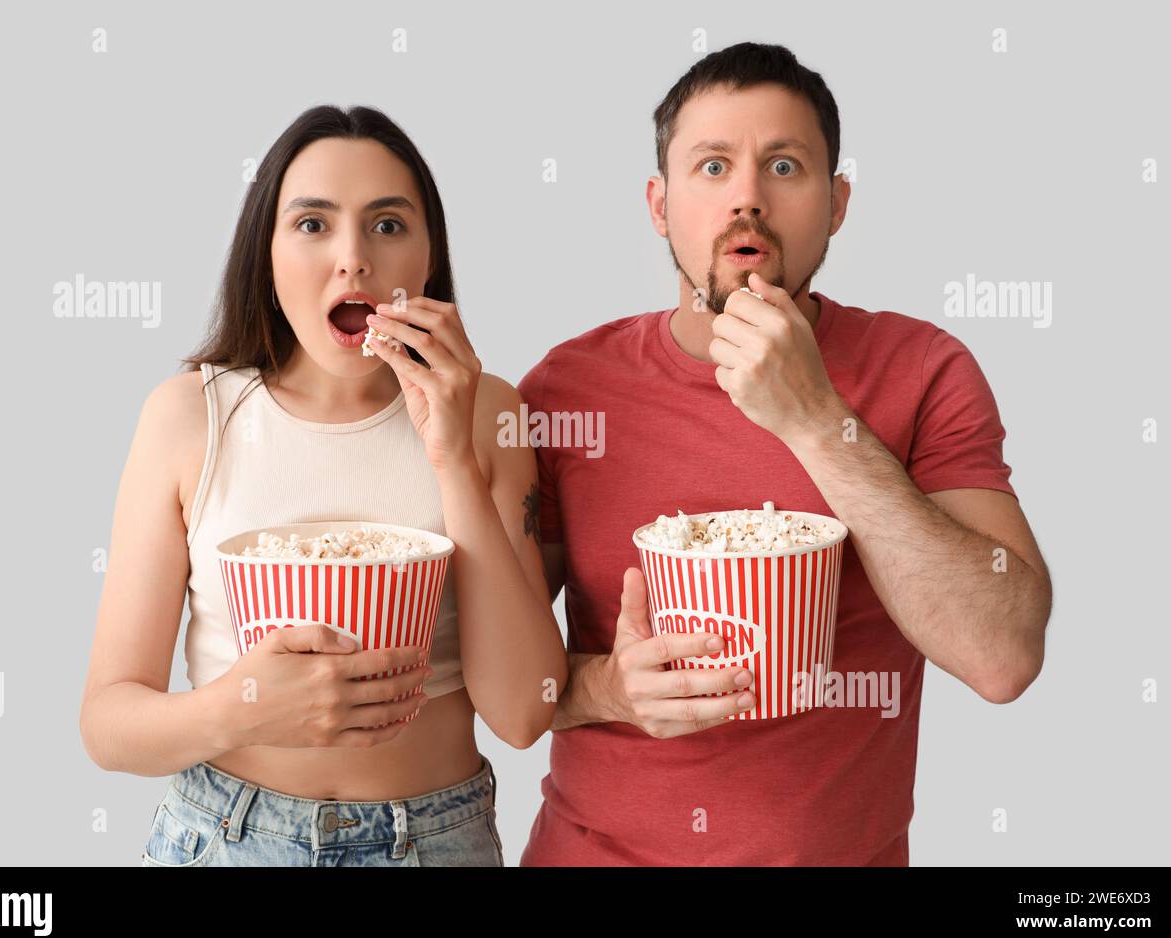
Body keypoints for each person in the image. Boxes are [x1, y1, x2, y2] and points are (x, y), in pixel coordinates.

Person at [518, 42, 1053, 866]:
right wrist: (606, 689)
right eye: (712, 166)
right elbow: (493, 684)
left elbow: (1003, 656)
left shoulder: (921, 370)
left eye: (785, 166)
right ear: (658, 205)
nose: (747, 197)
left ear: (837, 203)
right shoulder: (566, 390)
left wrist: (813, 420)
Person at [80, 105, 566, 867]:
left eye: (388, 225)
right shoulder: (189, 417)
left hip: (435, 841)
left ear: (428, 257)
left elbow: (525, 709)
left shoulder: (489, 413)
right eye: (312, 225)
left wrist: (452, 459)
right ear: (265, 255)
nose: (353, 260)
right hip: (226, 835)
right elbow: (108, 724)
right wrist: (243, 707)